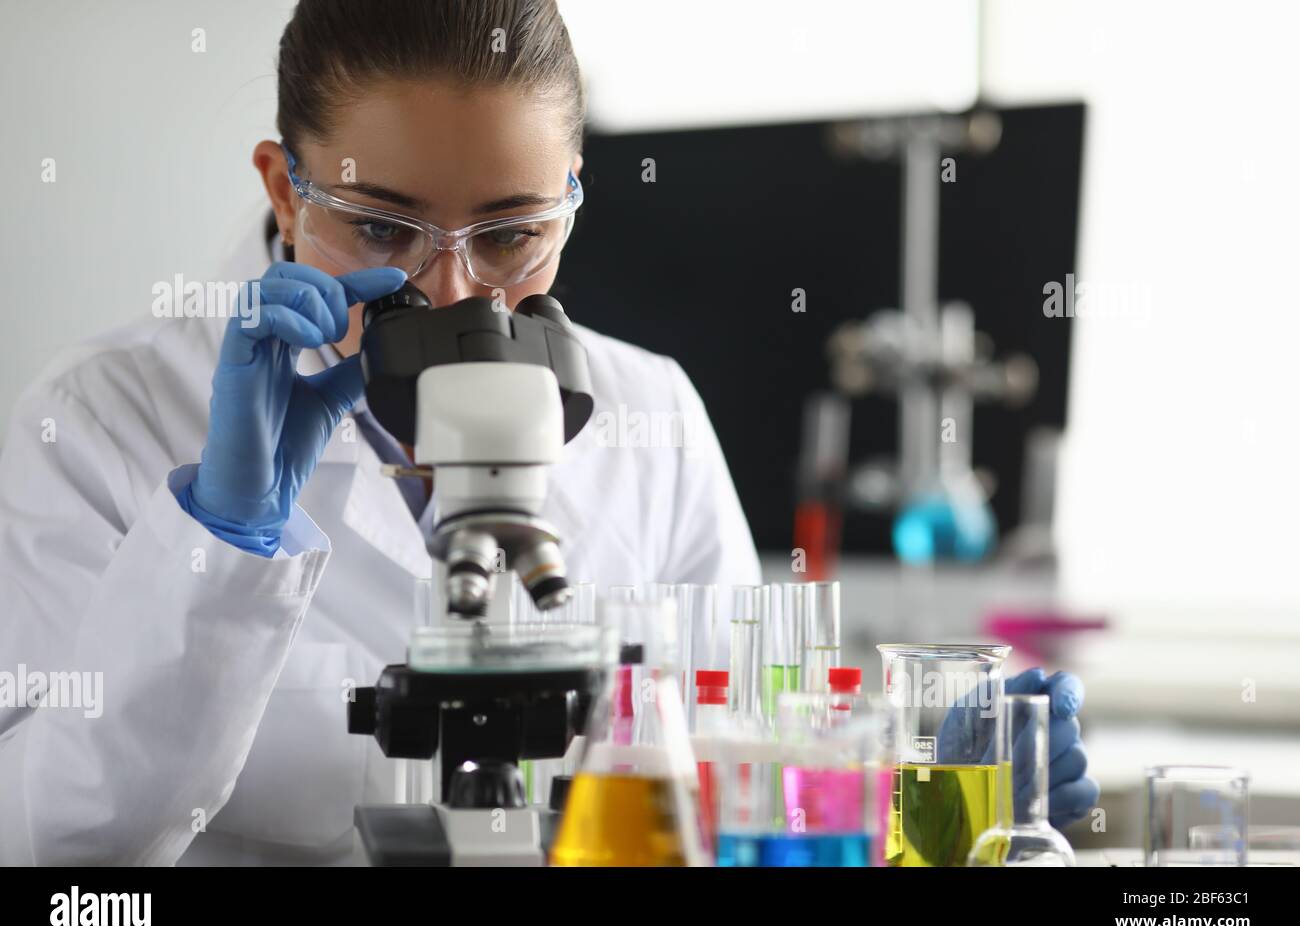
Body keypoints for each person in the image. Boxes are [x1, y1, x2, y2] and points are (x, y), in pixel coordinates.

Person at [0, 0, 1097, 866]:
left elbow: (751, 776)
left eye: (512, 232)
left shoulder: (650, 414)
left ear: (571, 200)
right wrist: (219, 540)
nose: (449, 288)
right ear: (285, 189)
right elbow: (46, 850)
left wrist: (919, 777)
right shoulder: (102, 418)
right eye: (383, 224)